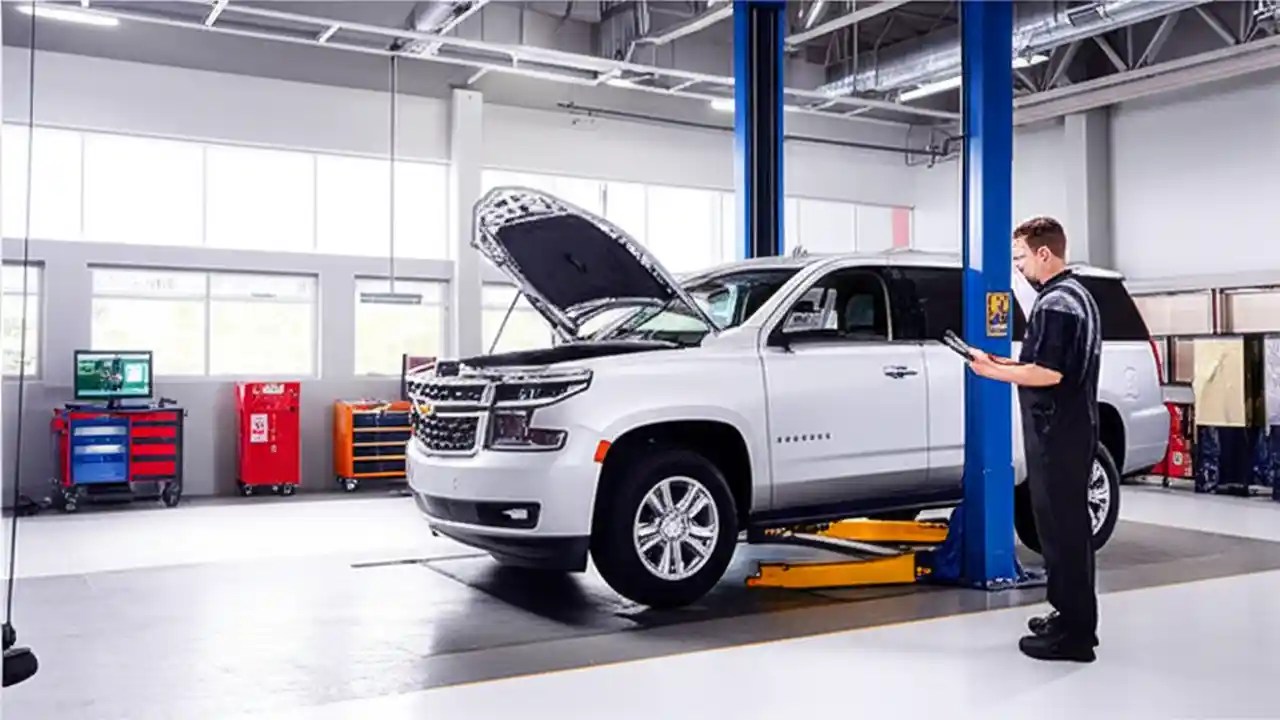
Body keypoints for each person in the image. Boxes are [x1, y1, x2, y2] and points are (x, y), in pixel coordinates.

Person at [967, 216, 1102, 663]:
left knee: (1062, 531)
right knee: (1066, 528)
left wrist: (991, 372)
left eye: (1021, 257)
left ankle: (1075, 634)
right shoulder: (1077, 295)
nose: (1019, 265)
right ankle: (1069, 616)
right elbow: (1044, 361)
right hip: (1069, 428)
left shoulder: (1056, 303)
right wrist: (1002, 361)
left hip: (1056, 433)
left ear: (1044, 253)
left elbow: (1050, 372)